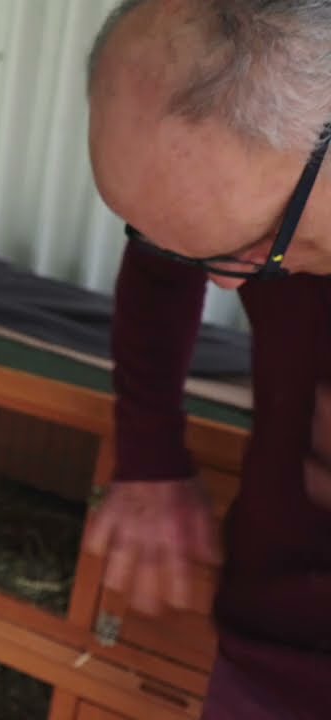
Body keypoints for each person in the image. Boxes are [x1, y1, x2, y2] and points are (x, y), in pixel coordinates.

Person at [82, 1, 331, 718]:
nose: (224, 285)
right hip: (263, 635)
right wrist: (150, 454)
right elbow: (167, 261)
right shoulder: (224, 204)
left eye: (258, 249)